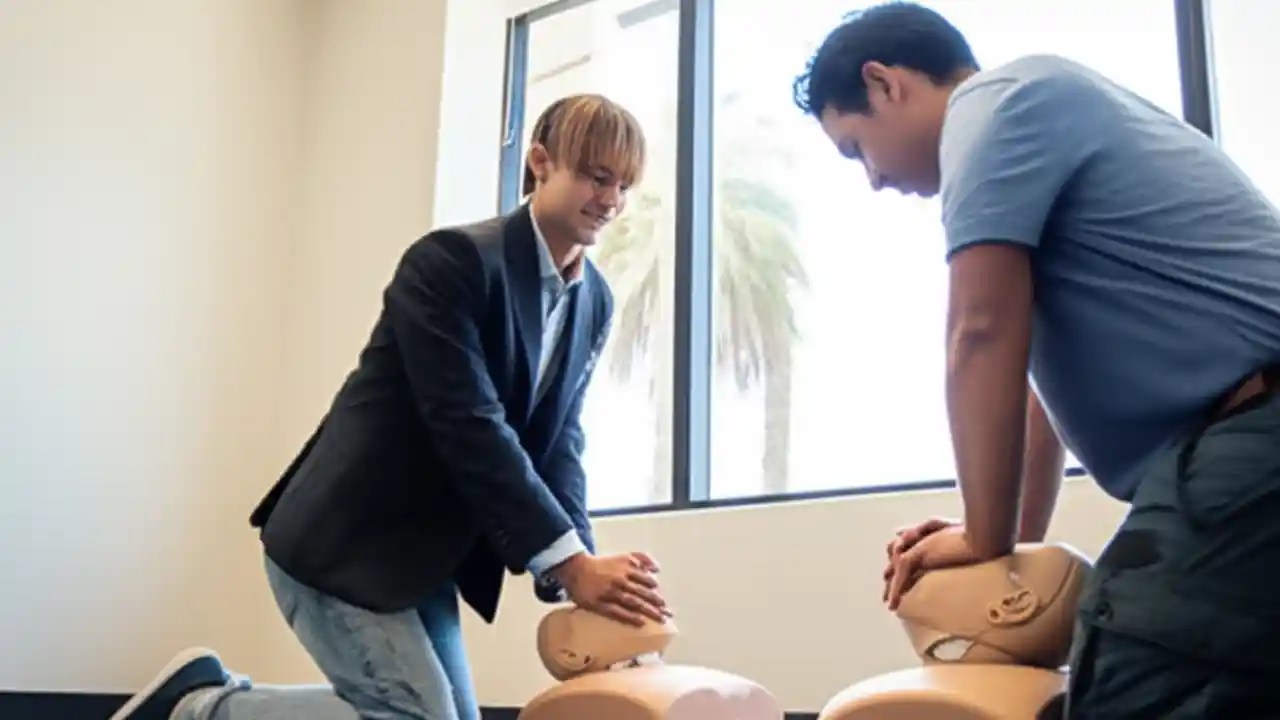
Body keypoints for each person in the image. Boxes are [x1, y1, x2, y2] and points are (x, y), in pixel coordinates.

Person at [111, 93, 672, 720]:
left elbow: (561, 440)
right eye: (597, 176)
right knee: (416, 716)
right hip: (342, 539)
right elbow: (469, 423)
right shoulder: (450, 263)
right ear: (540, 163)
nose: (612, 200)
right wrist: (570, 565)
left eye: (624, 185)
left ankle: (207, 704)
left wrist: (586, 571)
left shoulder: (592, 301)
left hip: (420, 563)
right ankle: (195, 712)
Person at [793, 3, 1280, 717]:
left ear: (885, 84)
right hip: (1241, 437)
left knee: (1136, 673)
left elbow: (980, 332)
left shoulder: (996, 109)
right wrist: (1000, 553)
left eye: (855, 147)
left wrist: (980, 533)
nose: (870, 178)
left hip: (1255, 433)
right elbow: (1033, 395)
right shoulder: (1036, 119)